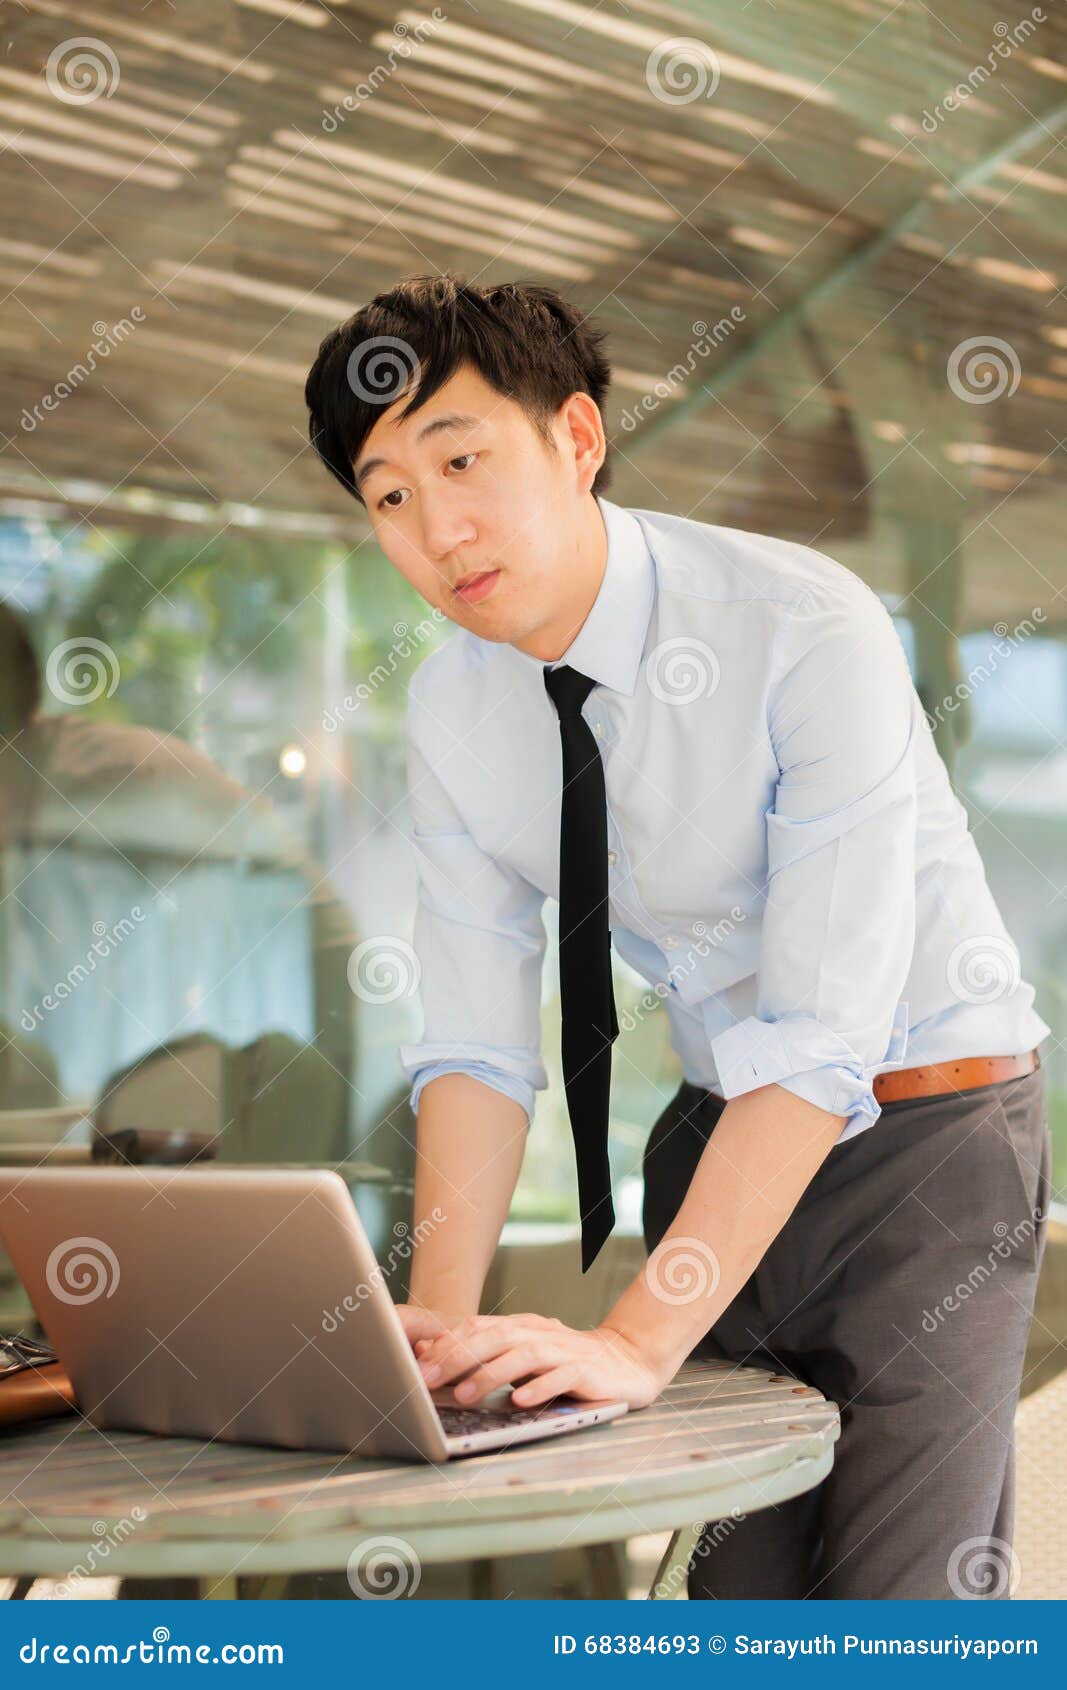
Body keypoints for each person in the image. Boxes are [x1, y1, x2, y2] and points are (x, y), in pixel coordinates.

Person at [303, 274, 1052, 1599]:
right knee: (730, 1594)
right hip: (720, 1138)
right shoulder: (453, 709)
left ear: (577, 440)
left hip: (927, 1146)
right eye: (391, 497)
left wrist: (640, 1340)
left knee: (898, 1613)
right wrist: (445, 1325)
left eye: (462, 459)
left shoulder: (801, 626)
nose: (439, 528)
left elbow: (824, 1033)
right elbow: (476, 1038)